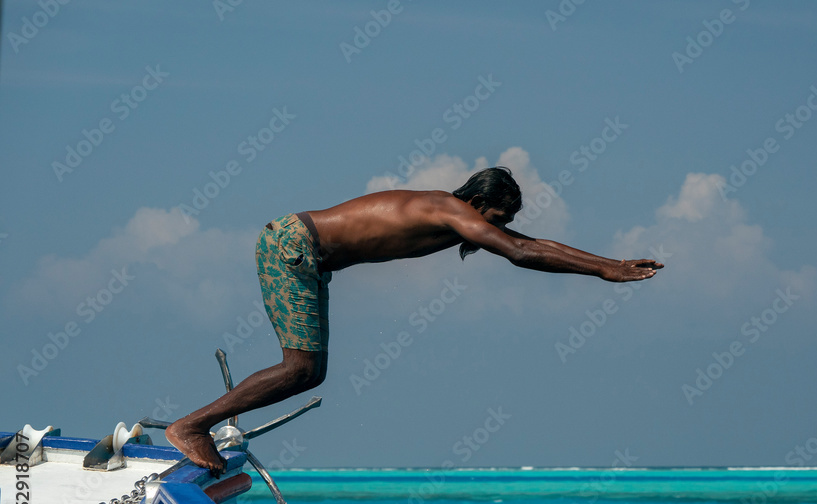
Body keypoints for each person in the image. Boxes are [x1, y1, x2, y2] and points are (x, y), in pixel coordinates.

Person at [166, 166, 663, 472]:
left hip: (305, 254)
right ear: (478, 205)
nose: (495, 232)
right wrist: (607, 270)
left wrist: (608, 264)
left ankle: (196, 426)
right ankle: (191, 427)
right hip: (292, 246)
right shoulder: (452, 211)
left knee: (309, 371)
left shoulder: (452, 212)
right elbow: (521, 253)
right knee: (300, 369)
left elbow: (528, 243)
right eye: (495, 219)